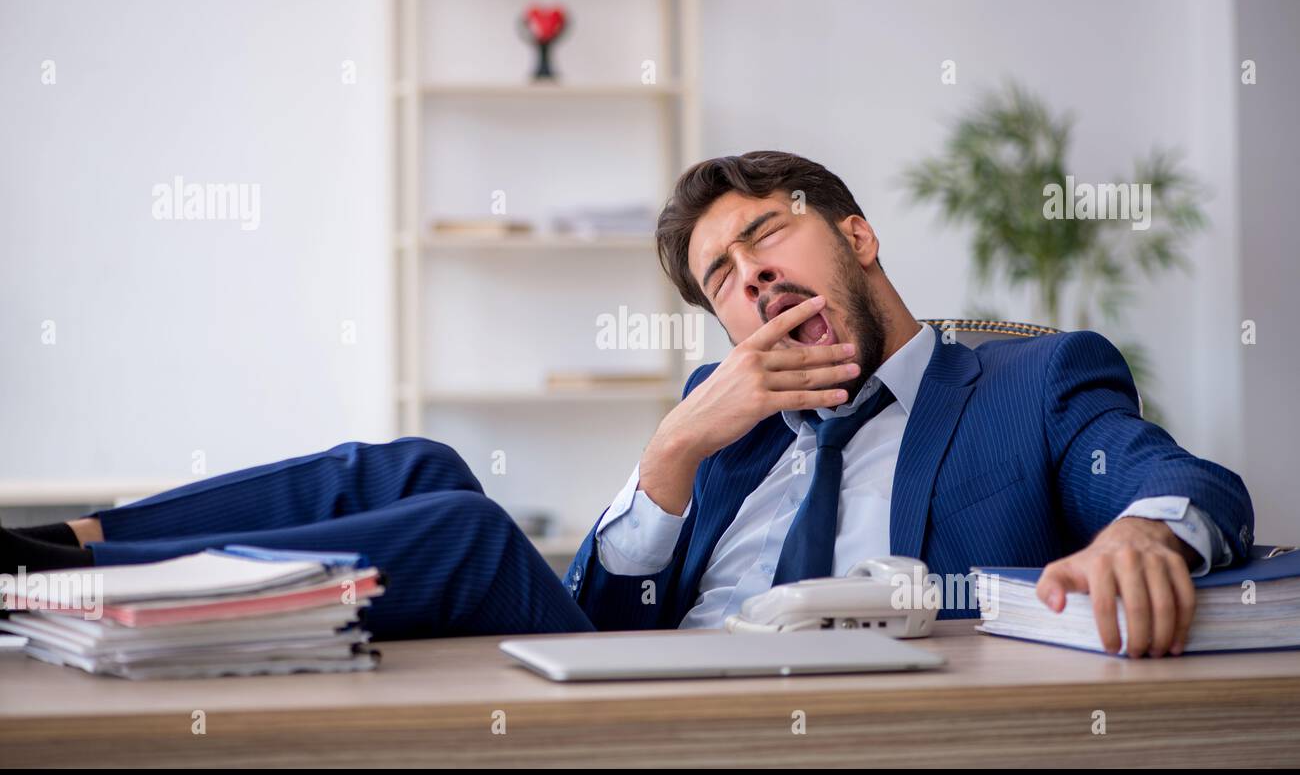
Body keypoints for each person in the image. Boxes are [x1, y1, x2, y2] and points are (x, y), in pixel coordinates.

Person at [1, 151, 1253, 657]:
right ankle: (64, 555)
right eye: (722, 274)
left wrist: (1142, 532)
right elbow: (603, 617)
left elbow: (1177, 479)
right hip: (647, 677)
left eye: (769, 236)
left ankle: (56, 599)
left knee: (470, 532)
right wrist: (670, 449)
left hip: (802, 705)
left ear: (859, 236)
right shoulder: (719, 421)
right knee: (422, 463)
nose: (750, 275)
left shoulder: (1029, 380)